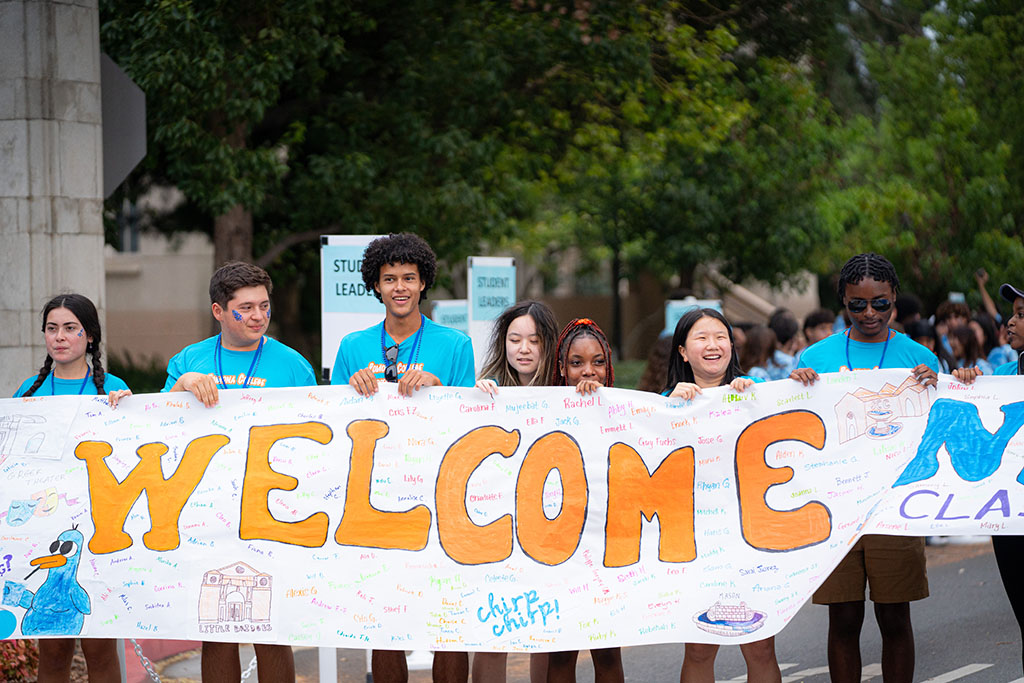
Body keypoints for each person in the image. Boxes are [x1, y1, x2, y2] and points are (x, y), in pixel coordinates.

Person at [330, 233, 474, 683]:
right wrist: (349, 389)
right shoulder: (353, 345)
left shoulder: (455, 345)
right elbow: (330, 421)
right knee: (384, 618)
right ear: (374, 285)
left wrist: (439, 388)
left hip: (441, 492)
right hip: (373, 494)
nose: (399, 287)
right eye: (389, 278)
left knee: (447, 619)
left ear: (424, 282)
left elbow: (471, 423)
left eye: (409, 278)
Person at [164, 261, 316, 682]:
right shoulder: (188, 359)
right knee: (215, 630)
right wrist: (181, 385)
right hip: (206, 512)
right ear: (218, 311)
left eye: (264, 306)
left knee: (272, 628)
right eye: (245, 308)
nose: (257, 317)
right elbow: (156, 430)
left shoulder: (293, 365)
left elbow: (318, 439)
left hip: (273, 510)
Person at [790, 253, 938, 683]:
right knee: (844, 620)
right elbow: (797, 428)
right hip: (837, 511)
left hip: (896, 509)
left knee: (894, 619)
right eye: (858, 305)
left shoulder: (918, 357)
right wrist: (797, 391)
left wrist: (946, 383)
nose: (870, 313)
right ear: (843, 302)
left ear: (894, 299)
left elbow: (945, 421)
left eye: (881, 304)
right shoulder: (814, 358)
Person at [14, 293, 131, 683]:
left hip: (99, 530)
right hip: (45, 528)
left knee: (100, 646)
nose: (59, 337)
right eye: (51, 328)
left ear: (90, 336)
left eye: (69, 328)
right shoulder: (27, 393)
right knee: (53, 646)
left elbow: (128, 458)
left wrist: (128, 412)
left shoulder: (114, 389)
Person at [664, 308, 779, 683]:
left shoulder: (757, 393)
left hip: (751, 537)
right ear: (683, 352)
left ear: (732, 344)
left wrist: (755, 399)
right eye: (701, 338)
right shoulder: (663, 404)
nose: (712, 345)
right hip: (695, 541)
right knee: (699, 646)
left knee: (760, 644)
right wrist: (670, 406)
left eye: (720, 337)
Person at [471, 300, 559, 683]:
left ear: (549, 344)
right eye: (514, 339)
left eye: (534, 340)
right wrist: (472, 401)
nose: (523, 349)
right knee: (492, 628)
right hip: (495, 526)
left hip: (552, 527)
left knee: (546, 628)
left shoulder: (567, 391)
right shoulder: (484, 388)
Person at [950, 281, 1024, 671]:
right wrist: (966, 385)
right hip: (1011, 520)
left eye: (1021, 315)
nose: (1010, 322)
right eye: (1012, 313)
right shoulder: (1003, 375)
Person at [546, 318, 624, 683]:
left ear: (608, 365)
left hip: (608, 547)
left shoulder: (630, 414)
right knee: (560, 655)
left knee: (607, 653)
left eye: (597, 362)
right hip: (556, 547)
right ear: (562, 369)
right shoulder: (541, 413)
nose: (587, 371)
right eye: (576, 363)